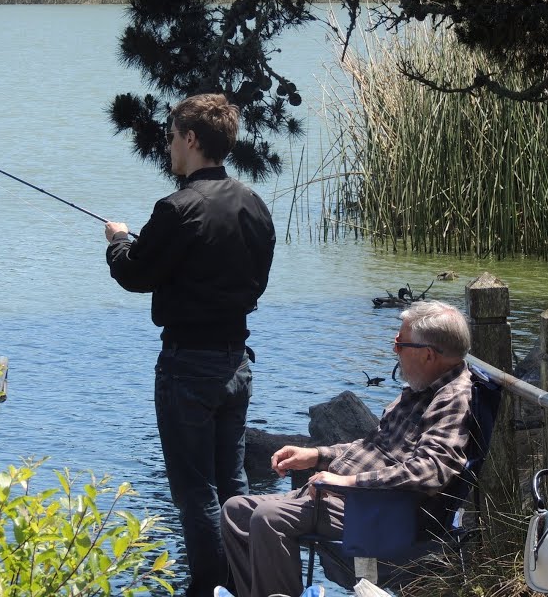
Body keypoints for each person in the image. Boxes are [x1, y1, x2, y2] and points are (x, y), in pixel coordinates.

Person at [104, 93, 276, 597]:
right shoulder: (254, 204)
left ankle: (205, 589)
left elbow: (136, 274)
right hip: (237, 363)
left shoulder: (176, 208)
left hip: (187, 366)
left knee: (194, 492)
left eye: (173, 136)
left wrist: (117, 241)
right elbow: (256, 281)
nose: (169, 145)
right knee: (233, 484)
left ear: (192, 139)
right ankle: (242, 585)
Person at [219, 300, 474, 597]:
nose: (395, 350)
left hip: (379, 508)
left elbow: (430, 471)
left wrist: (346, 482)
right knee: (235, 510)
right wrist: (317, 456)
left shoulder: (452, 398)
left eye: (400, 343)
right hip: (349, 496)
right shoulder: (421, 389)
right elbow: (372, 446)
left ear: (428, 355)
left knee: (269, 518)